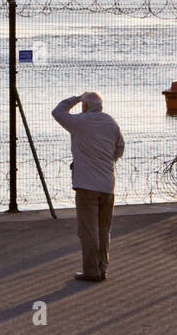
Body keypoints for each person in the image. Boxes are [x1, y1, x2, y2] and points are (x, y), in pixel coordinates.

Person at [52, 92, 125, 282]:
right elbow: (120, 148)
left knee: (89, 230)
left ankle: (91, 270)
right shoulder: (111, 122)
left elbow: (58, 112)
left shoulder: (79, 122)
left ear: (85, 106)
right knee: (103, 229)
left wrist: (75, 99)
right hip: (108, 184)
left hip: (86, 185)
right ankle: (103, 267)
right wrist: (108, 160)